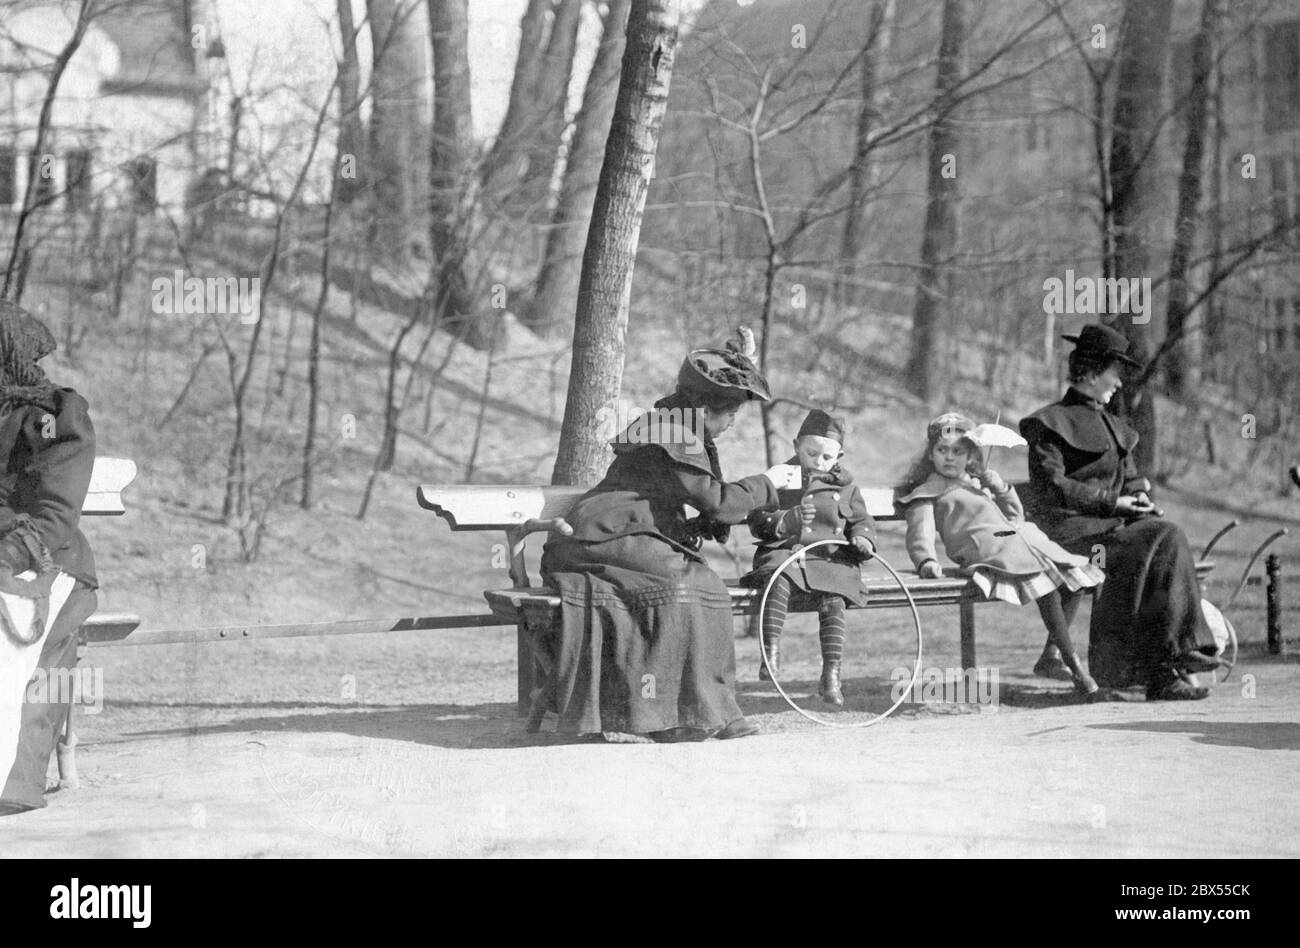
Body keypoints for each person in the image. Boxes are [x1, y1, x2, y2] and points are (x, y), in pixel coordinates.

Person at [538, 337, 798, 742]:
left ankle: (696, 713)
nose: (733, 419)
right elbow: (719, 501)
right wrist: (769, 483)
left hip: (625, 533)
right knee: (688, 584)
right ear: (703, 407)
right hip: (599, 537)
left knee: (696, 584)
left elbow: (692, 501)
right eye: (729, 409)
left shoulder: (677, 425)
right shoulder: (672, 429)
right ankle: (675, 715)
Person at [1019, 324, 1227, 701]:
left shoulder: (1115, 427)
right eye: (1116, 371)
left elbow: (1130, 479)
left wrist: (1138, 499)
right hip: (1068, 536)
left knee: (1162, 533)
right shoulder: (1047, 423)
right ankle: (1156, 664)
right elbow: (1053, 488)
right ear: (1093, 370)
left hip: (1110, 530)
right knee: (1162, 538)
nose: (1119, 381)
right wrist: (1112, 503)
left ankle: (1165, 669)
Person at [895, 412, 1105, 698]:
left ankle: (1052, 652)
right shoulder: (928, 493)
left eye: (958, 451)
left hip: (1017, 542)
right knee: (1047, 584)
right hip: (985, 551)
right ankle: (1076, 667)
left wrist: (1002, 489)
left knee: (1074, 574)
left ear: (970, 455)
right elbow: (921, 531)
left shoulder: (977, 481)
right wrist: (926, 560)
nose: (949, 457)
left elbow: (1015, 518)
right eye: (942, 450)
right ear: (931, 455)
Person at [0, 301, 99, 815]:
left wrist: (8, 551)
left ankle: (10, 785)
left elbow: (53, 514)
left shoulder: (54, 419)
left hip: (46, 565)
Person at [741, 410, 876, 706]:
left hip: (828, 557)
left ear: (839, 454)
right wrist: (785, 519)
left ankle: (831, 674)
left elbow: (862, 520)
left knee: (834, 598)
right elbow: (756, 518)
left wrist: (863, 538)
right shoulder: (780, 478)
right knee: (778, 578)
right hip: (785, 551)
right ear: (796, 446)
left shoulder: (846, 486)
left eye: (827, 457)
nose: (819, 461)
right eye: (811, 453)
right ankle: (771, 652)